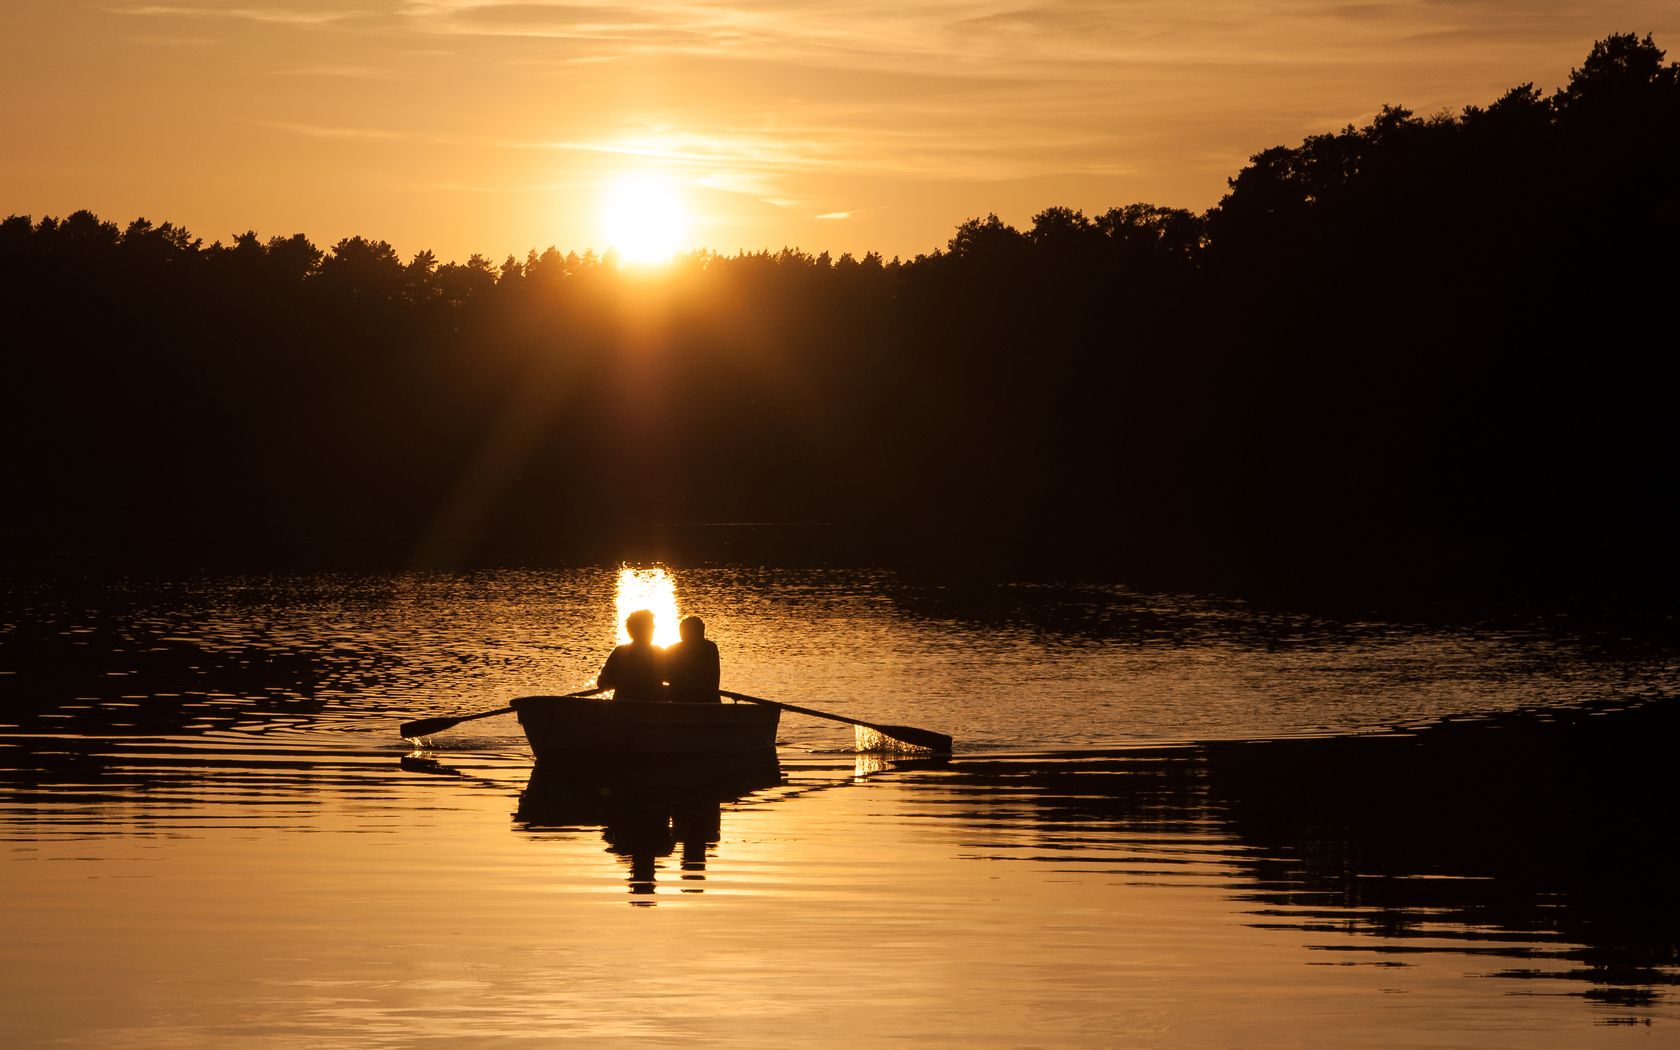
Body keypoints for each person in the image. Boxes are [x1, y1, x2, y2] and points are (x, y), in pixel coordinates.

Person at [597, 609, 666, 703]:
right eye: (650, 626)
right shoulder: (659, 653)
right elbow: (671, 678)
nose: (653, 628)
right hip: (653, 710)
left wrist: (618, 681)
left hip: (622, 708)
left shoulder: (619, 652)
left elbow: (602, 683)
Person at [663, 615, 721, 703]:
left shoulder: (710, 648)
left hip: (683, 701)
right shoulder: (711, 647)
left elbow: (663, 676)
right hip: (704, 700)